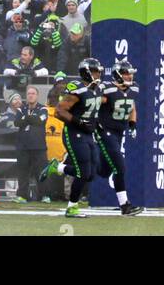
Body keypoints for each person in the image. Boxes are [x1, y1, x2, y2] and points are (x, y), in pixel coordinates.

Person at [39, 57, 104, 217]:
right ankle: (72, 207)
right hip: (74, 132)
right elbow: (59, 111)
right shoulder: (77, 88)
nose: (98, 74)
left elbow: (92, 110)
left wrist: (97, 124)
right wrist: (80, 122)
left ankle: (58, 167)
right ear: (87, 72)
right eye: (95, 71)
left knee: (92, 172)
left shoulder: (97, 88)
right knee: (83, 172)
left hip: (88, 133)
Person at [95, 59, 140, 215]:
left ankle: (62, 166)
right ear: (118, 74)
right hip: (105, 131)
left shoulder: (133, 89)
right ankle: (125, 206)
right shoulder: (107, 90)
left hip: (119, 132)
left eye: (130, 74)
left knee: (103, 171)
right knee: (119, 167)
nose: (130, 77)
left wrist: (132, 125)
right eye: (126, 74)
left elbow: (132, 106)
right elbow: (92, 103)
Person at [8, 85, 48, 202]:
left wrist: (26, 118)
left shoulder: (43, 108)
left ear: (37, 95)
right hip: (23, 146)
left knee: (41, 171)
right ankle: (22, 195)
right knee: (23, 172)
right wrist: (31, 118)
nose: (30, 95)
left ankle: (44, 195)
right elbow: (17, 123)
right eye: (29, 93)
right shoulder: (21, 109)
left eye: (33, 93)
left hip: (38, 146)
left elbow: (41, 121)